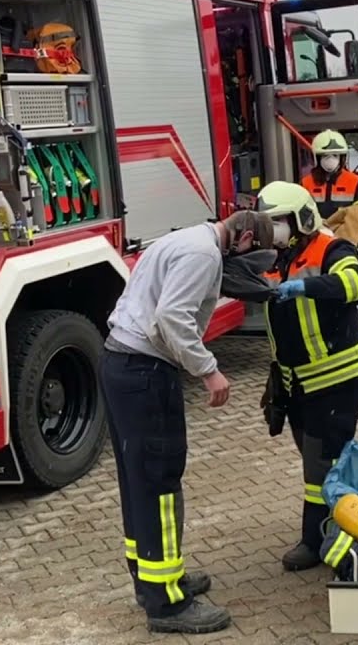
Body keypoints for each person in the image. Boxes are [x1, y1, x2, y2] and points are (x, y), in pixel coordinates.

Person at [99, 209, 277, 635]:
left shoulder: (185, 238)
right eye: (252, 255)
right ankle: (167, 604)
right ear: (245, 238)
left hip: (121, 362)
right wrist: (208, 369)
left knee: (139, 482)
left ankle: (154, 580)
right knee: (159, 483)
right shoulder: (204, 254)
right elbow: (172, 317)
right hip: (144, 372)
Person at [254, 180, 358, 571]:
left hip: (338, 376)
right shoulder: (274, 256)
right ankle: (354, 516)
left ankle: (317, 539)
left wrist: (305, 287)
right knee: (319, 456)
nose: (272, 229)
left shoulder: (332, 248)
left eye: (278, 221)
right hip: (298, 380)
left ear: (300, 218)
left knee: (320, 462)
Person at [303, 129, 358, 251]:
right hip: (315, 237)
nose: (330, 160)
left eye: (335, 155)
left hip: (344, 240)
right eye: (325, 156)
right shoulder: (306, 183)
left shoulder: (354, 181)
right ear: (317, 158)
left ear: (342, 158)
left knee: (356, 212)